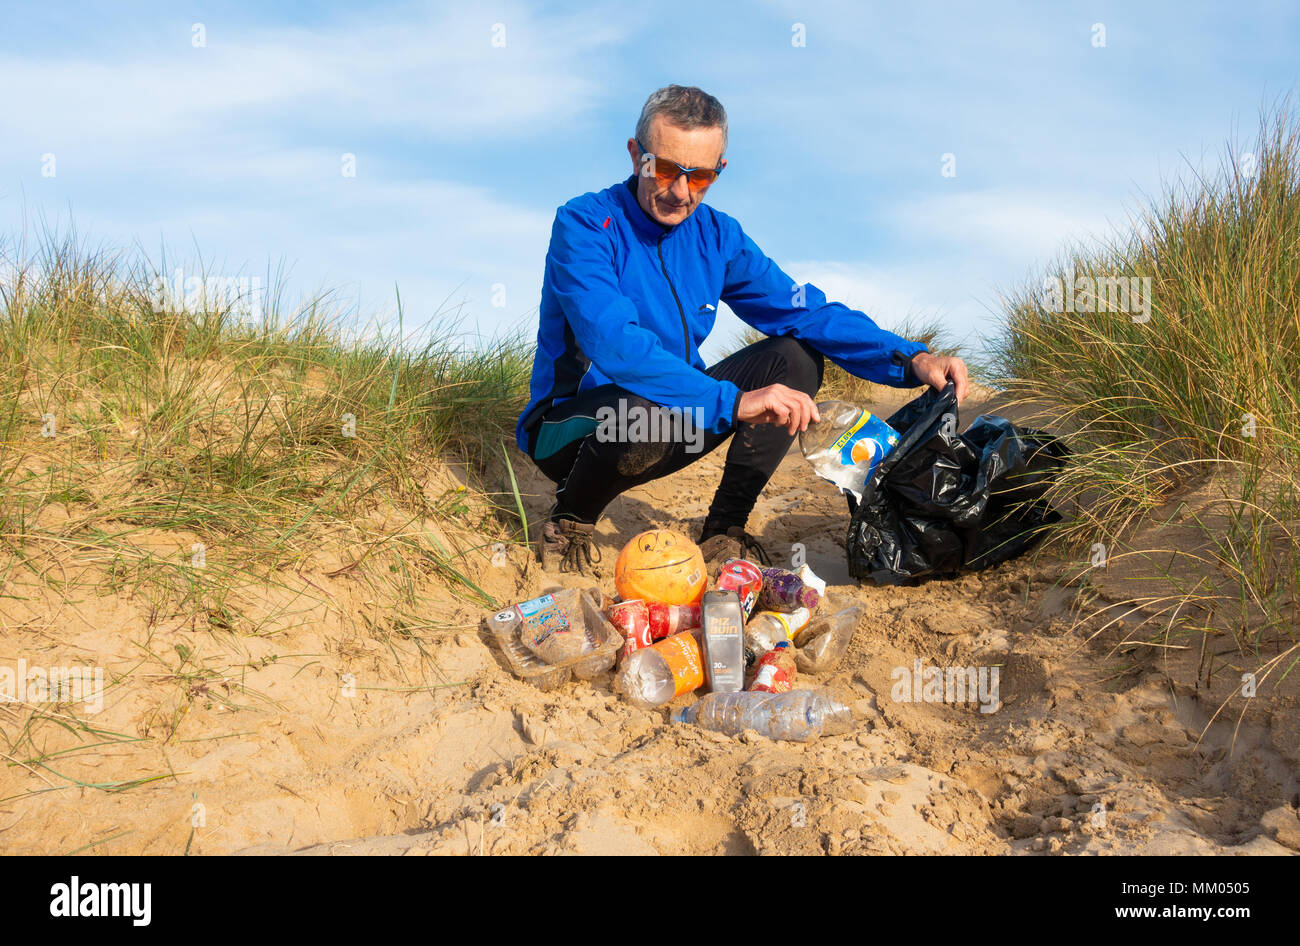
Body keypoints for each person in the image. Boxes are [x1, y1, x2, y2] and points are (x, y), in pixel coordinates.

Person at [517, 85, 968, 573]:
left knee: (795, 356)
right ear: (635, 154)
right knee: (644, 403)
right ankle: (570, 519)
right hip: (570, 433)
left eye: (701, 176)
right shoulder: (584, 224)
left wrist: (912, 358)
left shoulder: (718, 235)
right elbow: (615, 343)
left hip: (674, 419)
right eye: (665, 169)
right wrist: (732, 401)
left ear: (720, 171)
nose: (679, 191)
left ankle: (724, 530)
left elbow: (806, 312)